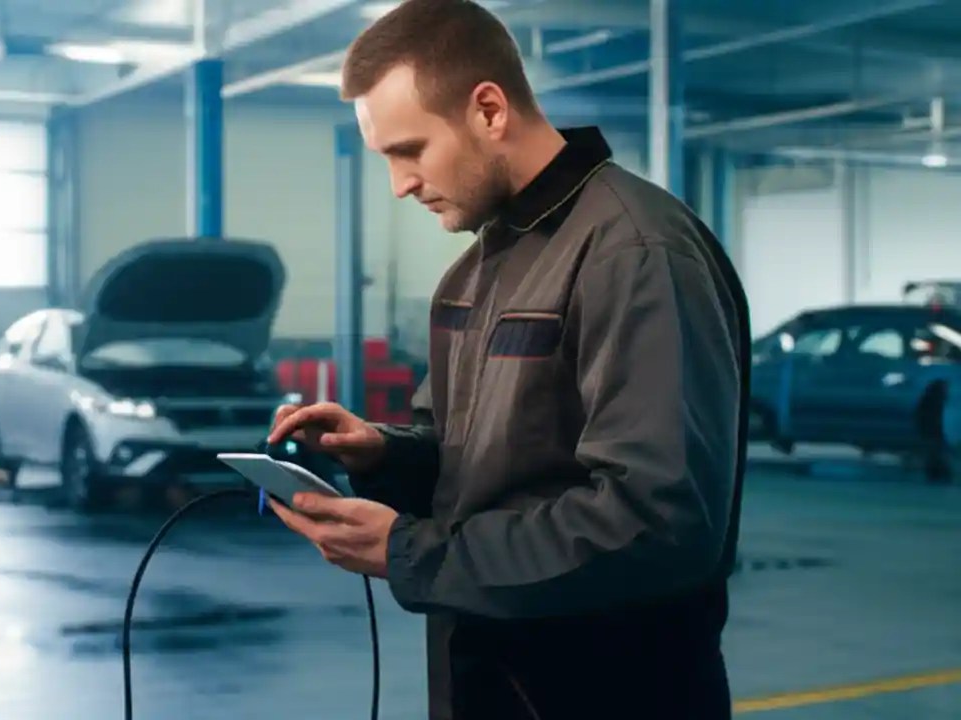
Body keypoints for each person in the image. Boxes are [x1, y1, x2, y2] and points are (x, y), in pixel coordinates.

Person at [265, 0, 752, 718]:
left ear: (489, 110)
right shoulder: (476, 271)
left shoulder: (635, 253)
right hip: (488, 684)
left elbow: (657, 524)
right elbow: (472, 461)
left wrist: (411, 551)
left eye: (409, 150)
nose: (399, 184)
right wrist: (382, 453)